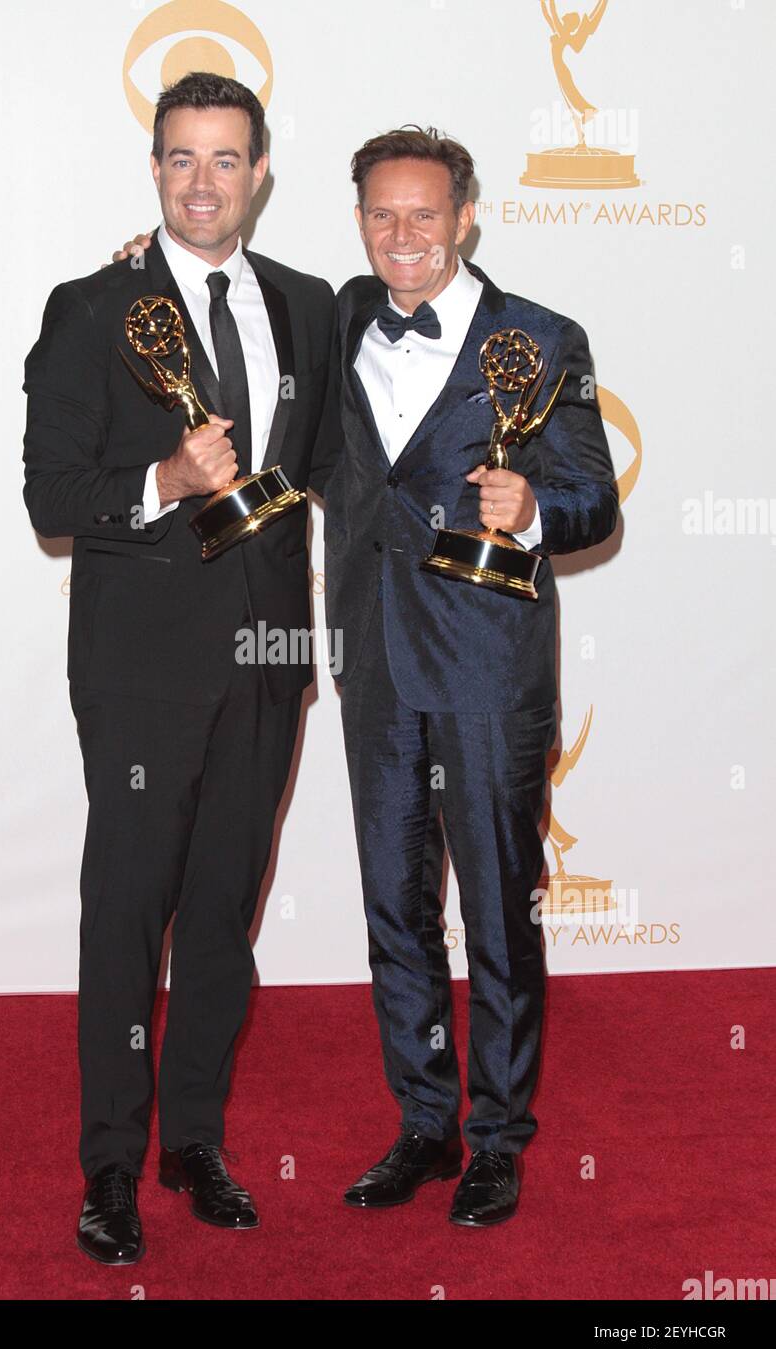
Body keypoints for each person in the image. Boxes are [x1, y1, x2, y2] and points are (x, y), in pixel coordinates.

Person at [22, 71, 337, 1265]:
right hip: (141, 668)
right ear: (152, 168)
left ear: (259, 173)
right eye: (180, 158)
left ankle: (192, 1140)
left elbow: (359, 445)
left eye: (224, 159)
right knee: (126, 919)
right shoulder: (89, 307)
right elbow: (52, 498)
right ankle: (109, 1165)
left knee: (220, 919)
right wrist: (164, 479)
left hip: (266, 659)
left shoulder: (311, 305)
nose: (202, 182)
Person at [322, 125, 619, 1226]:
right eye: (381, 214)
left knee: (496, 911)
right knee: (395, 910)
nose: (403, 235)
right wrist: (136, 273)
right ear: (359, 219)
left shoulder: (544, 340)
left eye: (424, 215)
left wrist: (537, 509)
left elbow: (596, 496)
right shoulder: (337, 315)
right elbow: (226, 325)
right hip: (376, 669)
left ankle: (497, 1136)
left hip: (489, 669)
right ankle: (422, 1125)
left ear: (466, 218)